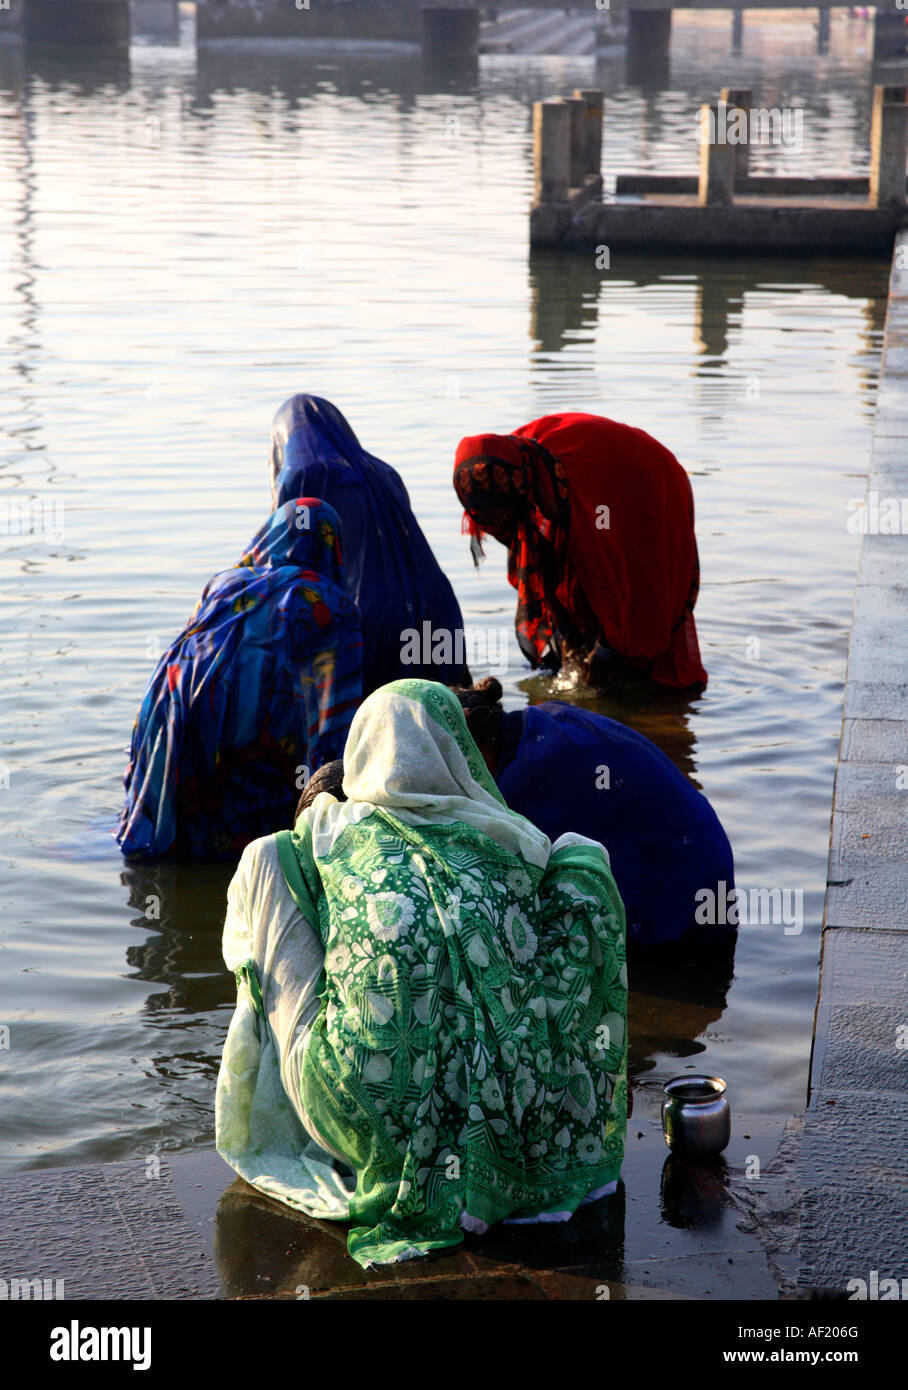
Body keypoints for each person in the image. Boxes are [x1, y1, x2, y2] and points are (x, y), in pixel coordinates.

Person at [216, 679, 627, 1268]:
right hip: (511, 1121)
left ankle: (296, 1117)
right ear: (456, 751)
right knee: (582, 861)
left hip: (355, 1116)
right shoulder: (514, 841)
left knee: (267, 861)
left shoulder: (329, 834)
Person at [117, 499, 361, 860]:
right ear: (333, 544)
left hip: (169, 710)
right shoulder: (332, 604)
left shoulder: (224, 582)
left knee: (189, 824)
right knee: (254, 836)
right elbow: (332, 714)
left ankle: (173, 866)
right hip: (242, 720)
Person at [454, 679, 734, 951]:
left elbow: (518, 892)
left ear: (475, 748)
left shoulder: (526, 777)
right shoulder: (541, 716)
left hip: (686, 893)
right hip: (709, 858)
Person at [453, 412, 707, 690]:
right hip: (593, 479)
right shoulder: (500, 467)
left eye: (500, 516)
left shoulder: (544, 483)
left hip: (643, 483)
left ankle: (636, 668)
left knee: (640, 591)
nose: (496, 525)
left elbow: (604, 575)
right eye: (487, 518)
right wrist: (567, 634)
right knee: (574, 607)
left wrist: (605, 652)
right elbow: (541, 557)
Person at [270, 393, 469, 695]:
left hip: (366, 618)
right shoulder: (383, 471)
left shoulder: (299, 477)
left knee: (375, 725)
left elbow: (290, 563)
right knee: (438, 716)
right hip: (434, 605)